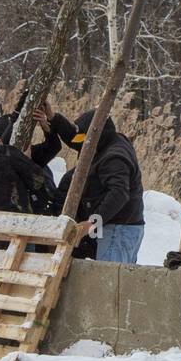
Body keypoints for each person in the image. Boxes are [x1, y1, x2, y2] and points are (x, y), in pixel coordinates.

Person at [47, 103, 145, 264]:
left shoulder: (113, 158)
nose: (81, 145)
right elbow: (77, 140)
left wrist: (92, 223)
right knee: (117, 282)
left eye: (85, 140)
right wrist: (54, 119)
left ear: (95, 137)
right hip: (122, 228)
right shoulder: (108, 142)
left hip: (118, 230)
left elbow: (119, 194)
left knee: (109, 283)